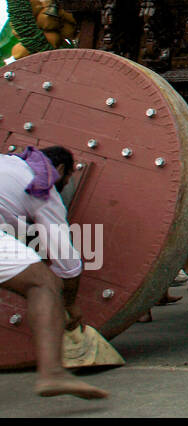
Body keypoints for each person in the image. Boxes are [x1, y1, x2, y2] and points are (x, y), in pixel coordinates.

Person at [0, 146, 107, 399]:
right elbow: (66, 261)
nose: (67, 183)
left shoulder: (9, 163)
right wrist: (70, 304)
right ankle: (52, 373)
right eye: (69, 177)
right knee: (44, 284)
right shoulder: (43, 188)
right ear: (60, 170)